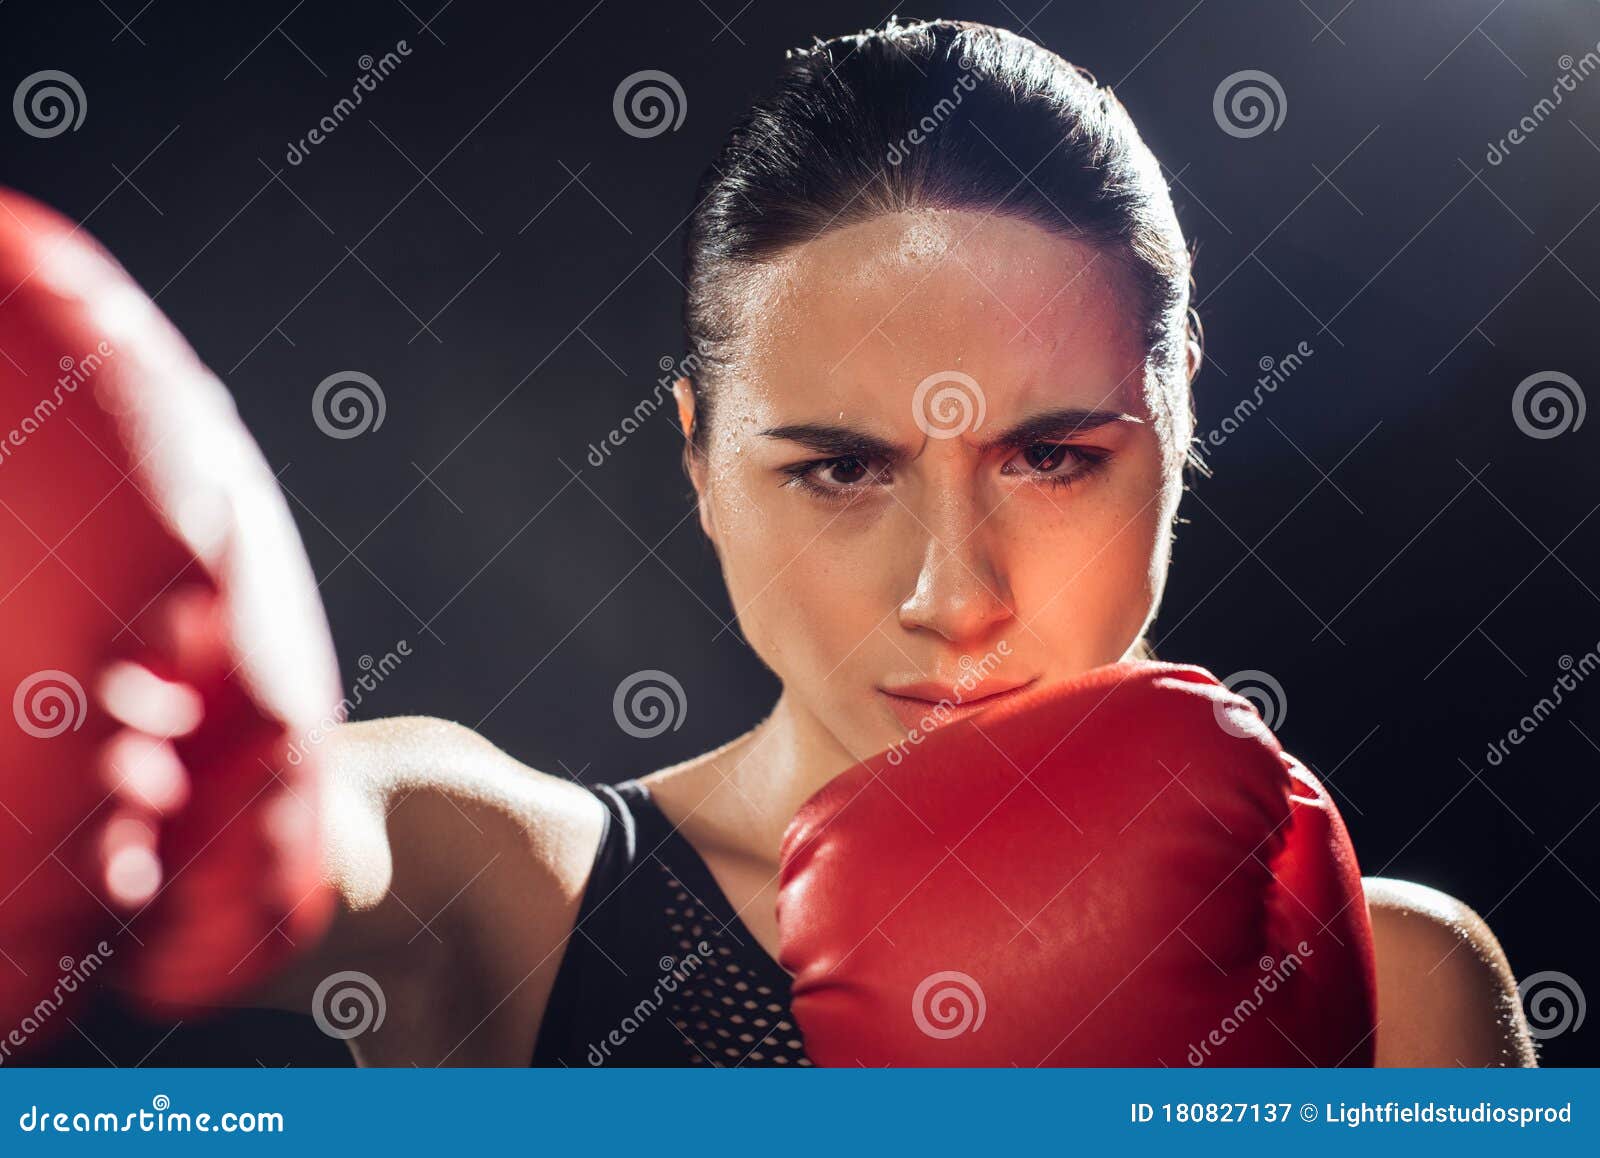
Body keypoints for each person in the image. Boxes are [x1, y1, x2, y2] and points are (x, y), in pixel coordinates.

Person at [232, 18, 1529, 1066]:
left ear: (1179, 410)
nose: (952, 594)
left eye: (1050, 456)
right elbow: (283, 825)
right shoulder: (511, 898)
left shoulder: (1395, 993)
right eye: (842, 468)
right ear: (696, 455)